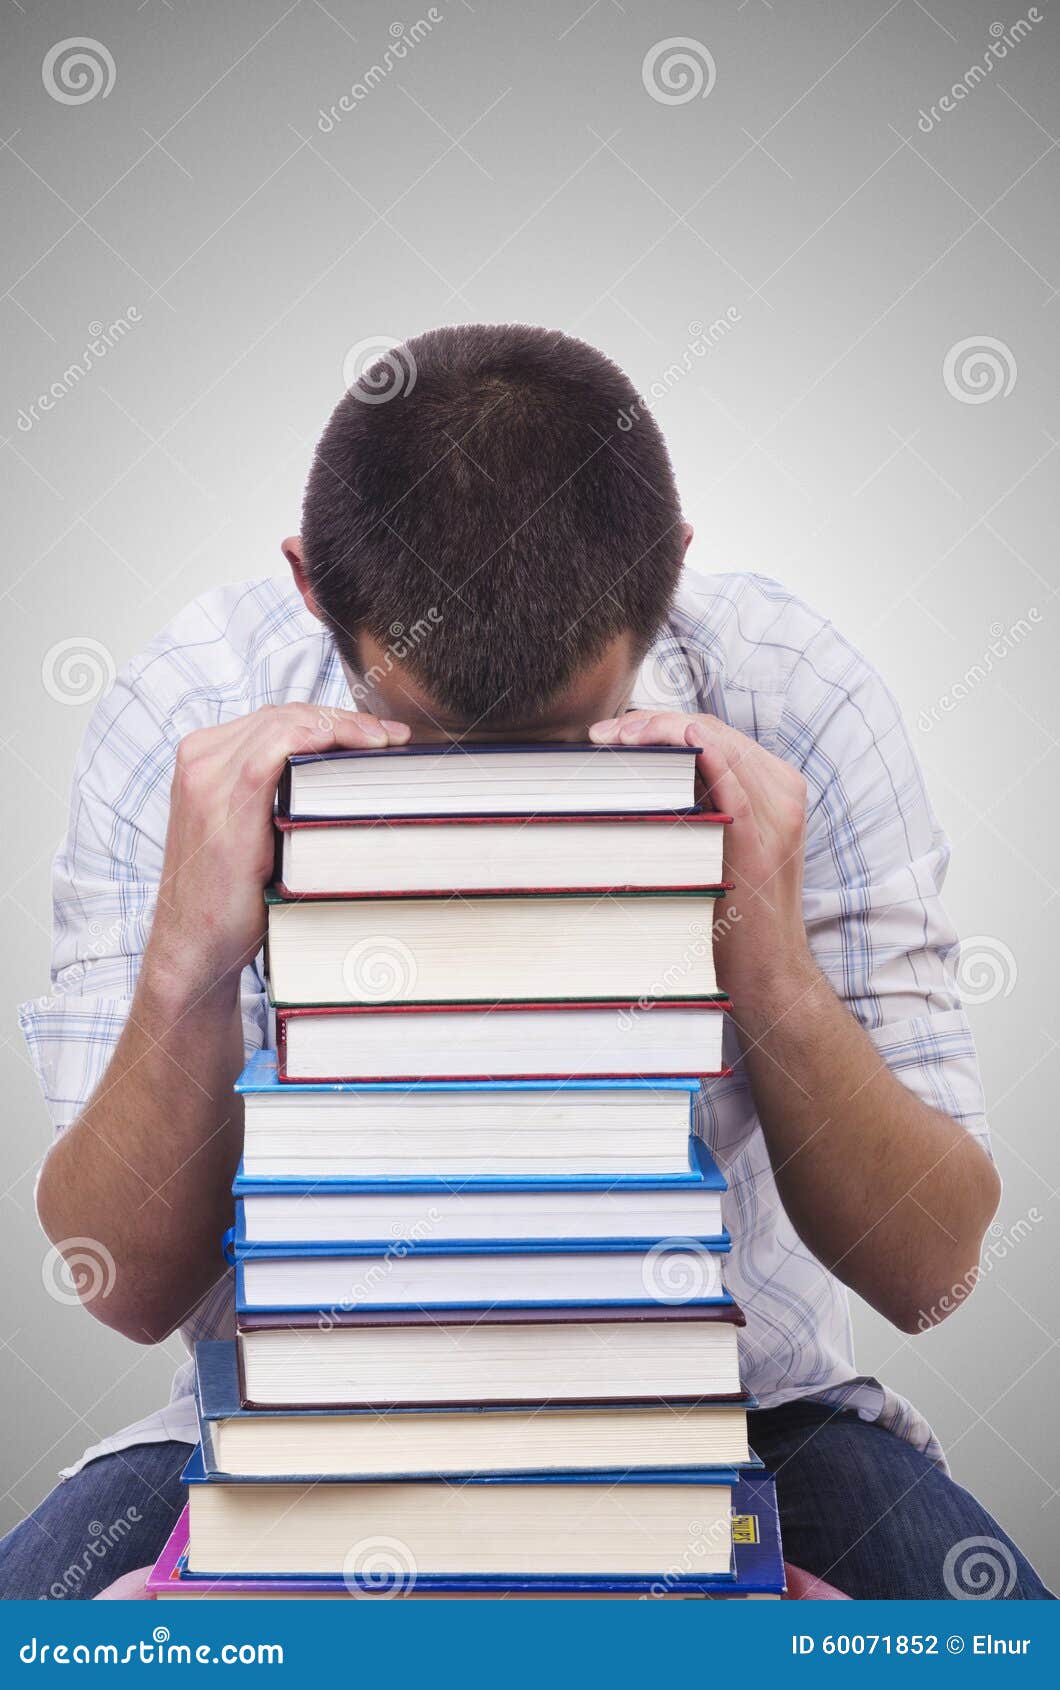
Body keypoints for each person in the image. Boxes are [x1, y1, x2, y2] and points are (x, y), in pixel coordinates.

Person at [2, 325, 1050, 1599]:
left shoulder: (791, 694)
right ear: (312, 588)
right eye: (426, 744)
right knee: (40, 1617)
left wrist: (767, 968)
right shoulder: (189, 708)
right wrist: (186, 970)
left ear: (668, 576)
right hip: (281, 1415)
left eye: (566, 748)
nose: (497, 809)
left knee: (974, 1620)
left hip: (746, 1413)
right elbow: (120, 1281)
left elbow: (930, 1273)